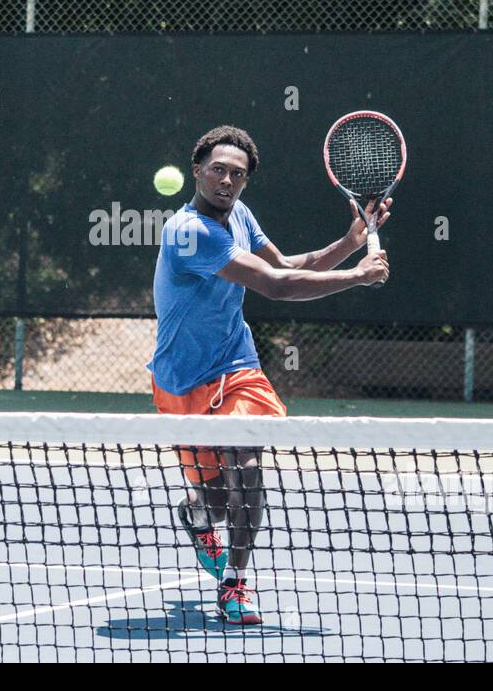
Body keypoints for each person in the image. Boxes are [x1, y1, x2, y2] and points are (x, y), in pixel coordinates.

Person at [148, 125, 391, 625]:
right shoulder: (190, 231)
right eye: (218, 169)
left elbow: (287, 265)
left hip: (237, 368)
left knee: (248, 468)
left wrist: (349, 243)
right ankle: (196, 515)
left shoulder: (239, 216)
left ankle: (234, 584)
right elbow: (276, 288)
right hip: (181, 382)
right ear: (197, 171)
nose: (227, 180)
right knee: (215, 500)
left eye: (237, 174)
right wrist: (357, 276)